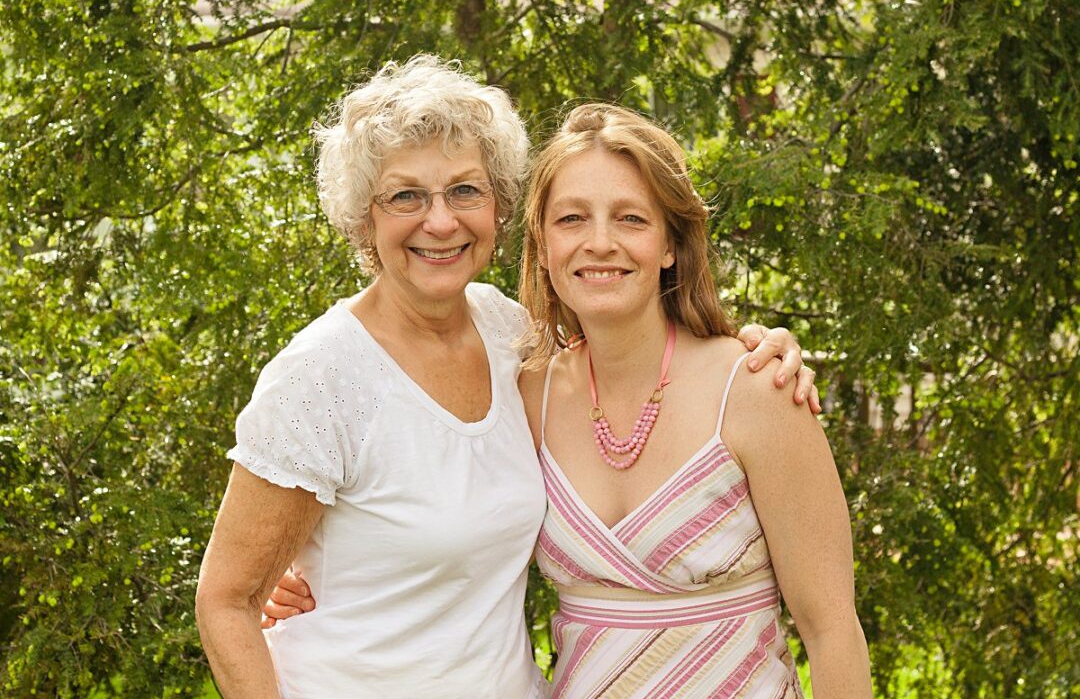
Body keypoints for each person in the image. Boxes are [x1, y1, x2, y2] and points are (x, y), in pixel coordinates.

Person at [197, 55, 818, 699]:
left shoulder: (508, 336)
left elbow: (634, 357)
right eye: (405, 195)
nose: (440, 221)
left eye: (465, 190)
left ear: (497, 208)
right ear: (363, 218)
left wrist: (754, 346)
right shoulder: (321, 377)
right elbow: (225, 600)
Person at [515, 103, 873, 697]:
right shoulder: (529, 395)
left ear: (670, 246)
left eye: (630, 219)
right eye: (572, 219)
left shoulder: (757, 389)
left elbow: (831, 628)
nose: (599, 242)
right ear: (544, 245)